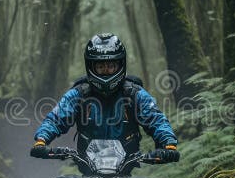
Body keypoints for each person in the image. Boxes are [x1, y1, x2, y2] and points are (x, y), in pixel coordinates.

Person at [29, 33, 180, 170]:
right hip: (88, 166)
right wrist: (42, 140)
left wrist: (169, 144)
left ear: (120, 65)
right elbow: (56, 118)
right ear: (91, 66)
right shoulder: (80, 94)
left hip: (126, 167)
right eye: (101, 67)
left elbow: (155, 119)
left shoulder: (133, 94)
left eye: (111, 66)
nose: (106, 71)